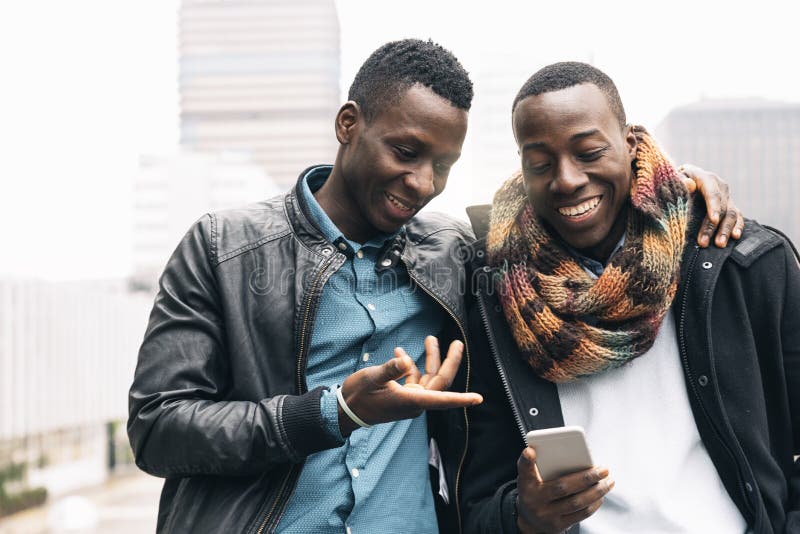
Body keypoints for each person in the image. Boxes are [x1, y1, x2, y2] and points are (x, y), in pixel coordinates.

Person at [127, 39, 741, 534]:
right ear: (348, 124)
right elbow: (157, 430)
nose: (422, 182)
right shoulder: (223, 248)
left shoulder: (454, 252)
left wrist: (671, 186)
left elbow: (555, 207)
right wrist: (333, 412)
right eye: (405, 151)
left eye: (442, 166)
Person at [459, 62, 800, 534]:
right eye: (539, 163)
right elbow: (474, 503)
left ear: (631, 144)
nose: (566, 179)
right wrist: (521, 517)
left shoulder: (746, 263)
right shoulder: (491, 295)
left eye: (590, 151)